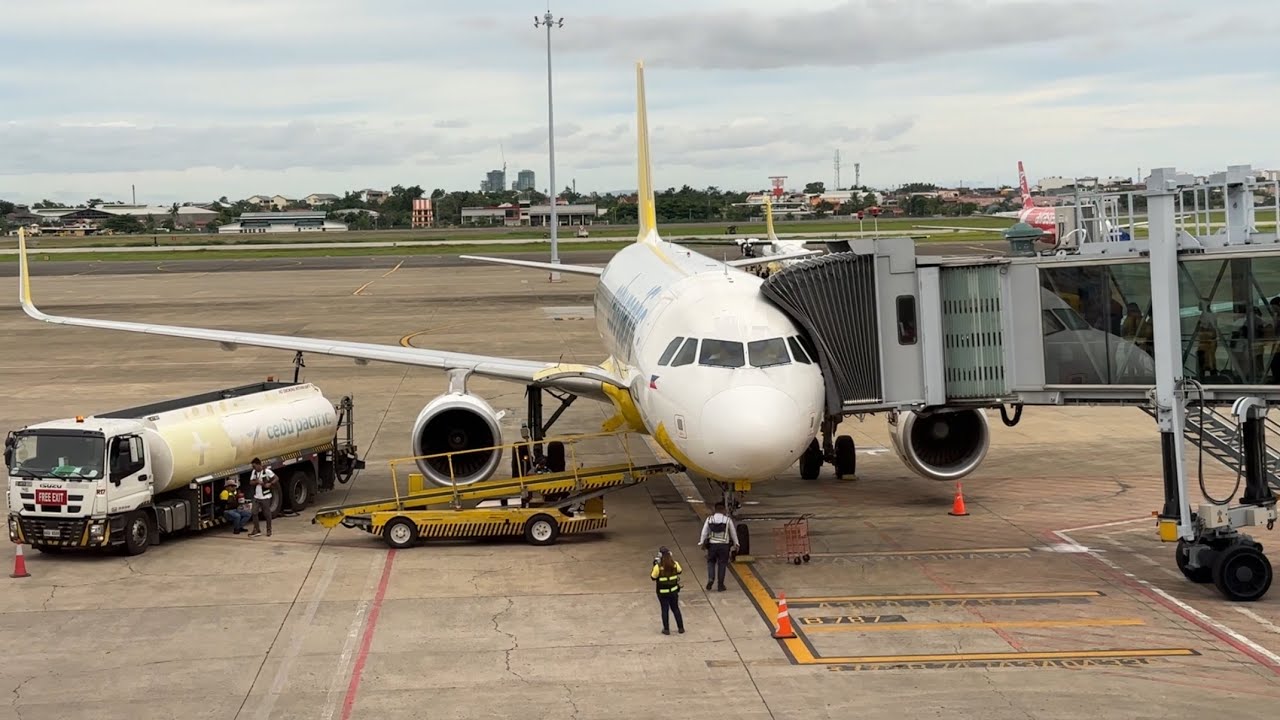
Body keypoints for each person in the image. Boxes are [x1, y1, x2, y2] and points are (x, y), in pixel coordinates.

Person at [698, 501, 739, 592]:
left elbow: (704, 532)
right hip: (724, 546)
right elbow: (733, 533)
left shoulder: (710, 519)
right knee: (722, 564)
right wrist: (736, 544)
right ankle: (720, 585)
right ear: (723, 510)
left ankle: (711, 578)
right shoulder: (727, 520)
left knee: (711, 562)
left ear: (714, 510)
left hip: (712, 545)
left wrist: (701, 543)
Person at [650, 546, 685, 635]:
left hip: (662, 593)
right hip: (673, 592)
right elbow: (680, 571)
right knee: (675, 609)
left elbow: (653, 577)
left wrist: (654, 566)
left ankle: (666, 629)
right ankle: (681, 628)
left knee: (665, 609)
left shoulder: (658, 567)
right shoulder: (675, 564)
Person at [248, 458, 277, 537]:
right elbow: (251, 482)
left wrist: (270, 484)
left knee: (267, 513)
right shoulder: (254, 472)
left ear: (259, 465)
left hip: (265, 496)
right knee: (254, 512)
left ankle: (269, 529)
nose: (253, 468)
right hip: (257, 496)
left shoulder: (267, 471)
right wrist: (257, 481)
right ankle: (257, 529)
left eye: (254, 466)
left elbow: (276, 478)